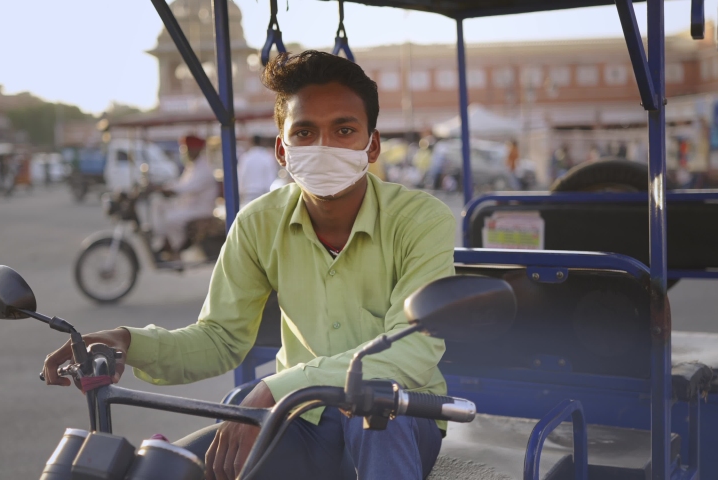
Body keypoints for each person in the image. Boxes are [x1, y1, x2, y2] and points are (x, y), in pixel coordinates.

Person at [43, 50, 455, 480]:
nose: (324, 146)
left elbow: (411, 350)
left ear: (371, 145)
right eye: (305, 132)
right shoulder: (259, 222)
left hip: (397, 417)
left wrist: (278, 389)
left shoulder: (421, 221)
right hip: (302, 419)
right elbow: (221, 337)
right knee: (166, 470)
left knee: (376, 419)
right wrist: (128, 340)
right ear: (283, 148)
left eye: (344, 130)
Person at [154, 135, 218, 262]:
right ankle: (163, 243)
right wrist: (164, 187)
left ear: (195, 149)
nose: (185, 153)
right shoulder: (193, 166)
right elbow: (181, 183)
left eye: (187, 149)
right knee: (159, 206)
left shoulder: (203, 168)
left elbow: (186, 187)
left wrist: (168, 189)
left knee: (171, 219)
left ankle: (177, 250)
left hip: (201, 209)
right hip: (190, 205)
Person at [237, 135, 278, 205]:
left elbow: (241, 175)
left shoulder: (246, 157)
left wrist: (241, 191)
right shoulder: (266, 157)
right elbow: (271, 176)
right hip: (263, 194)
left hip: (248, 194)